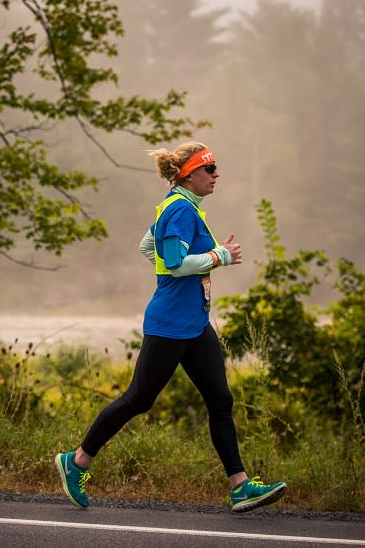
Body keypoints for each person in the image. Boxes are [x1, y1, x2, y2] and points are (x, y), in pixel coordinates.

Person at [54, 141, 287, 513]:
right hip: (169, 324)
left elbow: (149, 247)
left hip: (194, 323)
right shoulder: (180, 208)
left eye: (215, 167)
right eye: (209, 168)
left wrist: (185, 270)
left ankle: (240, 486)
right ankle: (76, 461)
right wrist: (218, 256)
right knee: (139, 399)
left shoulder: (181, 206)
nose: (216, 174)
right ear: (190, 174)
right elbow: (176, 263)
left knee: (220, 400)